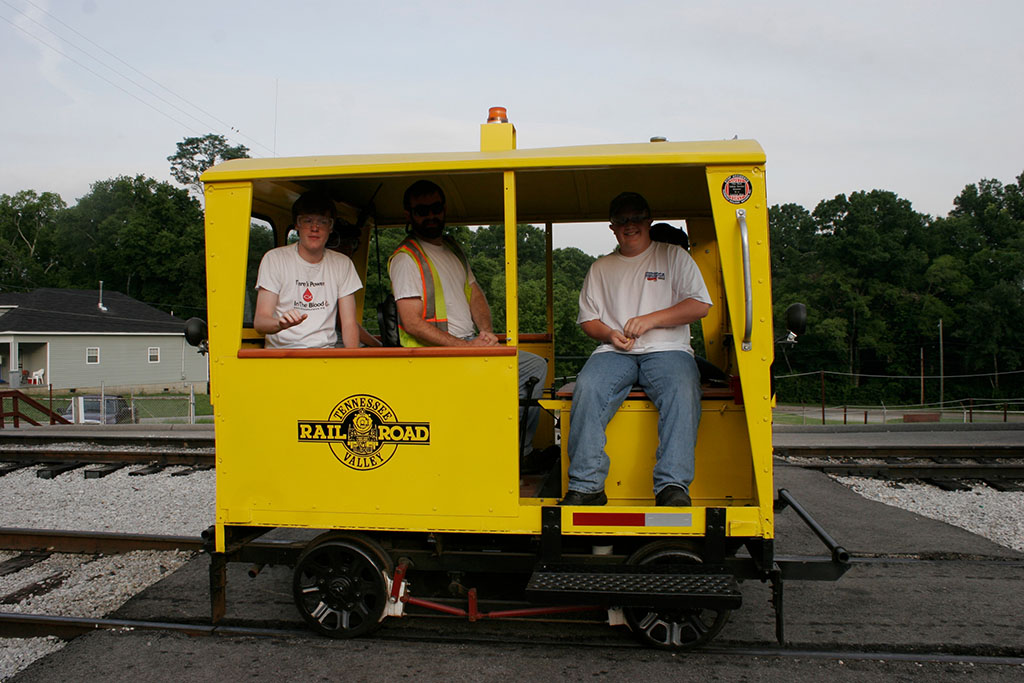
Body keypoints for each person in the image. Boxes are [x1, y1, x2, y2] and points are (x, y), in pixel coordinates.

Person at [561, 192, 712, 507]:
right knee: (587, 387)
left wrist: (650, 320)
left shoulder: (673, 256)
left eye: (636, 218)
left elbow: (699, 306)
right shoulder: (601, 267)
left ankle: (672, 485)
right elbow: (589, 321)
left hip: (669, 349)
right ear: (612, 227)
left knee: (682, 388)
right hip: (614, 352)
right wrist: (611, 334)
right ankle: (587, 485)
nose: (630, 225)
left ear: (649, 220)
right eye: (622, 220)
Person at [388, 180, 549, 457]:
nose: (430, 215)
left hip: (467, 346)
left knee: (533, 366)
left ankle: (519, 452)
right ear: (409, 215)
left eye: (436, 208)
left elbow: (475, 293)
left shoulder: (452, 248)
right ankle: (494, 454)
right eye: (422, 210)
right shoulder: (406, 259)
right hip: (435, 357)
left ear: (444, 208)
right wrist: (467, 347)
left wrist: (487, 333)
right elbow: (412, 322)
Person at [254, 190, 362, 349]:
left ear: (331, 227)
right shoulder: (275, 259)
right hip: (281, 357)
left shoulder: (343, 264)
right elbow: (260, 322)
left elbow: (348, 324)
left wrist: (353, 361)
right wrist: (280, 323)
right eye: (307, 221)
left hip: (324, 356)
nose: (315, 228)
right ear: (297, 224)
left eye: (323, 222)